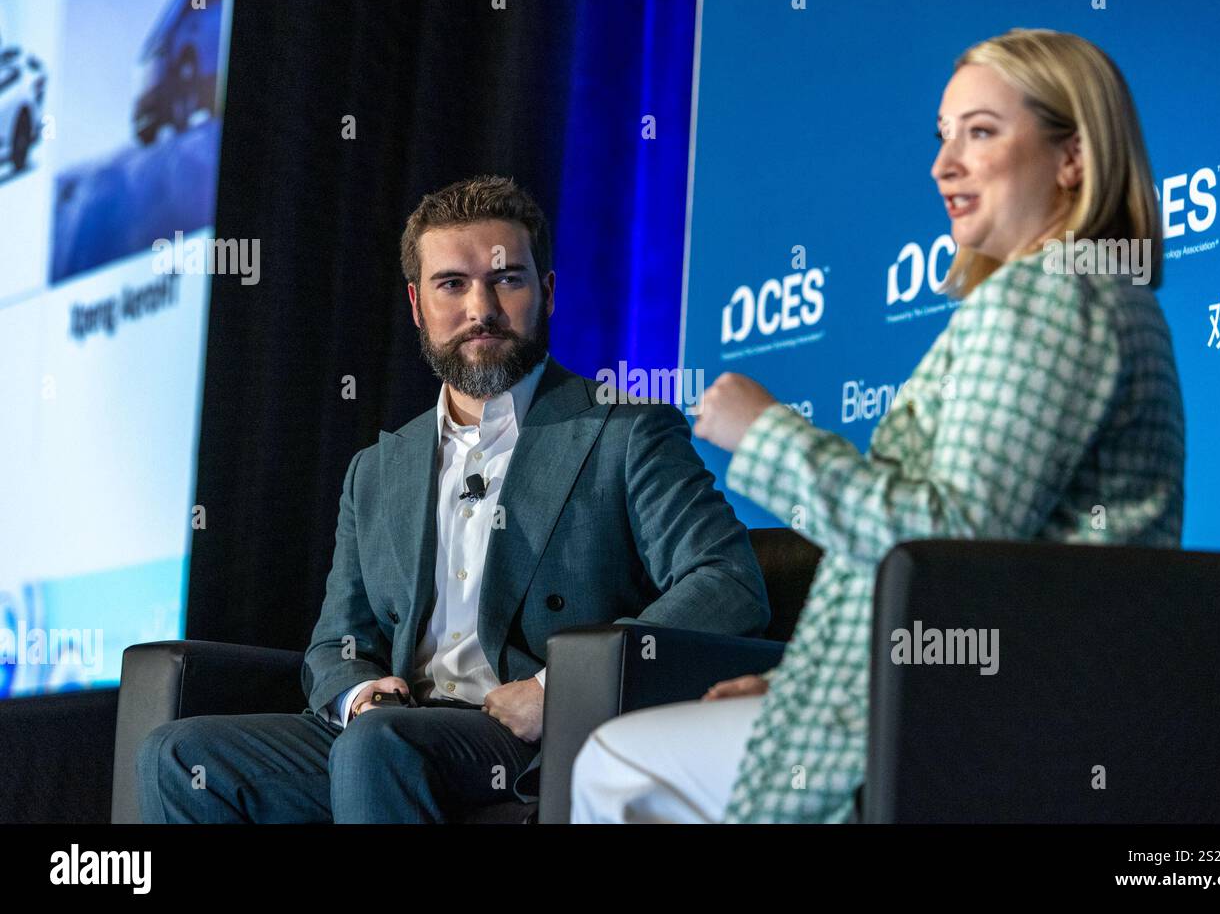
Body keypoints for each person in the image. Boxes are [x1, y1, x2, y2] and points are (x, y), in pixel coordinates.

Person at [570, 28, 1185, 823]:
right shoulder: (1100, 290)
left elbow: (952, 550)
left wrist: (764, 432)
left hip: (995, 725)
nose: (944, 164)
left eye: (982, 132)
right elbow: (992, 579)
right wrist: (823, 688)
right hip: (1020, 704)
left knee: (616, 765)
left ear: (1073, 158)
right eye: (943, 135)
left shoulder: (1049, 298)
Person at [136, 175, 769, 822]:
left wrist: (567, 686)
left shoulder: (624, 431)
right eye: (452, 284)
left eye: (506, 279)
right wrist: (357, 692)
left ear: (546, 292)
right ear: (416, 303)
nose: (481, 307)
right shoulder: (376, 469)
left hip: (529, 733)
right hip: (397, 726)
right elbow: (336, 641)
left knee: (378, 748)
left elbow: (727, 581)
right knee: (179, 756)